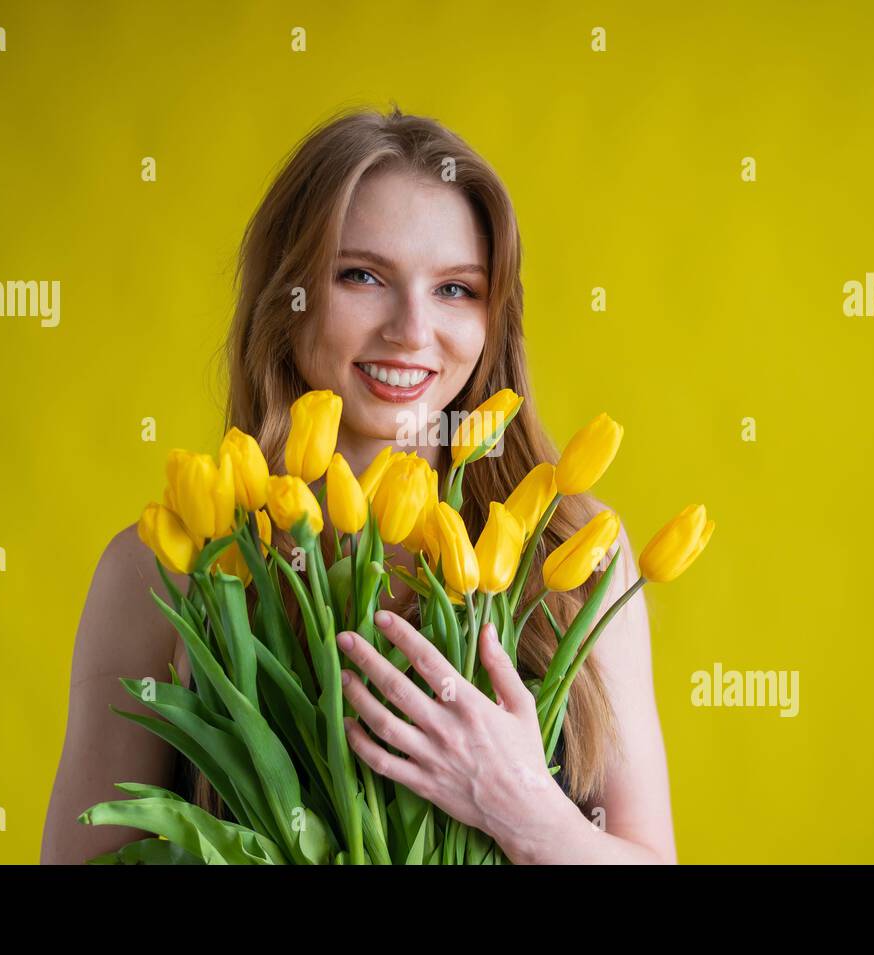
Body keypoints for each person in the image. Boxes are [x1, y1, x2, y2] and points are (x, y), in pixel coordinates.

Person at [40, 105, 676, 864]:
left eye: (455, 289)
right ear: (286, 296)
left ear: (493, 317)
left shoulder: (573, 544)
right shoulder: (167, 568)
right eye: (361, 276)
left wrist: (532, 814)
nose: (411, 329)